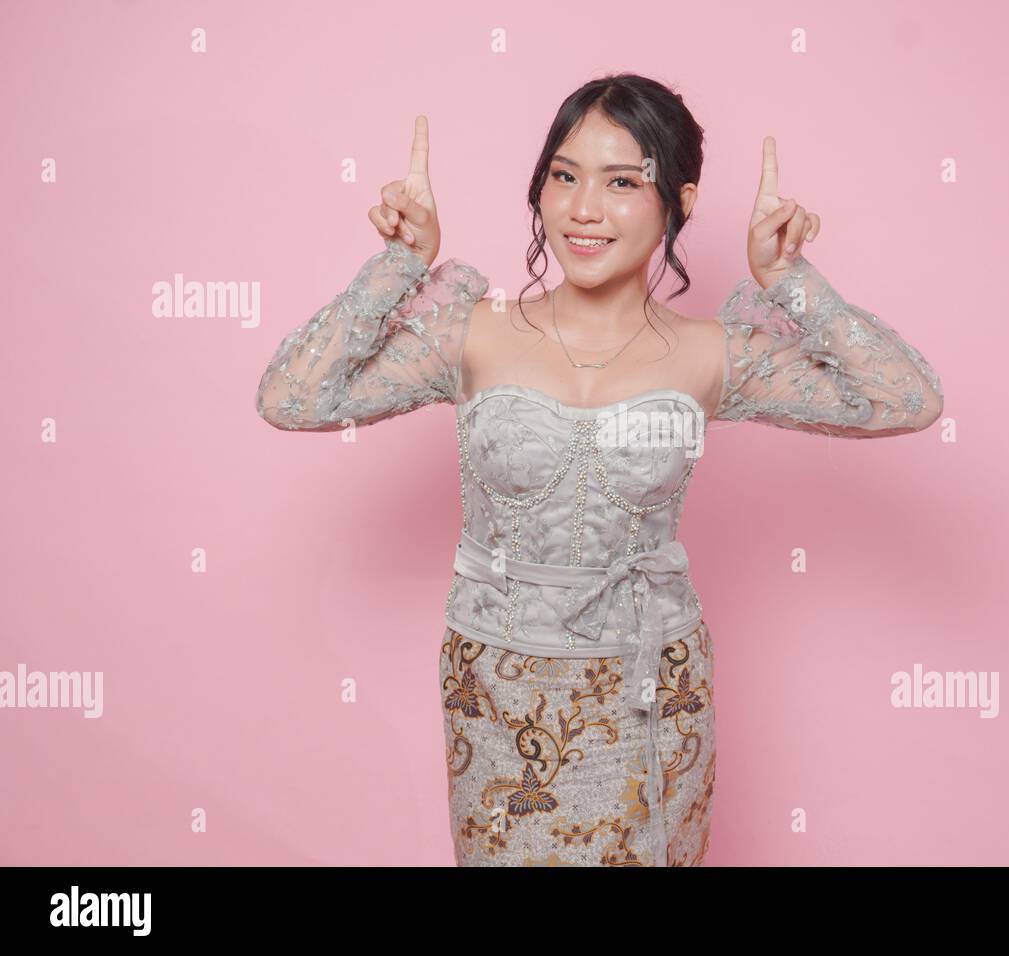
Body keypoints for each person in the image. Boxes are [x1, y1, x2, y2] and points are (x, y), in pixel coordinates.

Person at [254, 73, 943, 866]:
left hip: (652, 692)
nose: (584, 209)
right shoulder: (475, 333)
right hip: (498, 692)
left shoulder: (708, 354)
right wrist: (399, 265)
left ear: (678, 205)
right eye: (564, 175)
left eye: (623, 182)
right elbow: (294, 396)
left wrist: (790, 279)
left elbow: (904, 398)